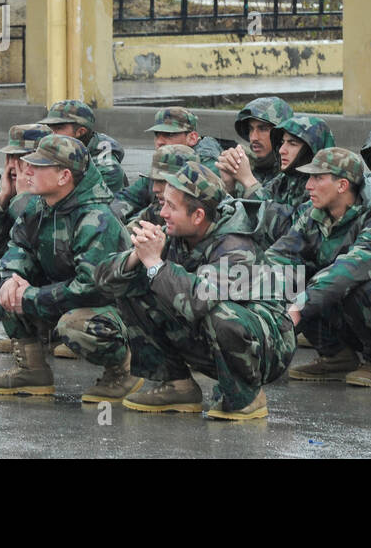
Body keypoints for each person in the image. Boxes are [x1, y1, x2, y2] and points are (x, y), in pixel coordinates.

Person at [96, 161, 294, 420]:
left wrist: (155, 263)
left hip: (267, 348)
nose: (162, 212)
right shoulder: (174, 223)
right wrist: (136, 256)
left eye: (171, 206)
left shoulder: (236, 246)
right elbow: (102, 278)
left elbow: (198, 301)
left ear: (198, 215)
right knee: (133, 283)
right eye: (163, 203)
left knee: (220, 313)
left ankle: (246, 395)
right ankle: (176, 385)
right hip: (212, 335)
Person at [0, 135, 140, 403]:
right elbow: (19, 247)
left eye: (39, 166)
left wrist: (29, 297)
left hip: (114, 313)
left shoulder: (95, 218)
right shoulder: (40, 206)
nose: (28, 170)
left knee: (74, 325)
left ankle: (123, 369)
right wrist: (9, 278)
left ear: (64, 176)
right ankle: (32, 370)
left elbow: (90, 289)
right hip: (63, 299)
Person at [266, 147, 371, 388]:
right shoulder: (313, 214)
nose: (308, 186)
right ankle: (335, 356)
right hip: (340, 309)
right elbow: (280, 255)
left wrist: (297, 308)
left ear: (342, 185)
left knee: (359, 288)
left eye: (318, 178)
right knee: (293, 278)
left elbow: (349, 270)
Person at [0, 124, 51, 349]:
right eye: (10, 158)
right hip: (33, 287)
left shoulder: (55, 191)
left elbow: (39, 240)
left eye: (23, 158)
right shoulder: (12, 190)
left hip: (61, 287)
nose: (14, 166)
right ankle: (27, 338)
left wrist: (23, 198)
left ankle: (55, 333)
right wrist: (2, 198)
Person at [112, 107, 221, 220]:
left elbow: (172, 211)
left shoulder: (207, 169)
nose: (159, 142)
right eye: (157, 135)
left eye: (169, 135)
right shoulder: (167, 162)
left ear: (192, 138)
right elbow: (129, 197)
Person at [231, 115, 335, 211]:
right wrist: (228, 185)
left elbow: (293, 224)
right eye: (282, 143)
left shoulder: (325, 186)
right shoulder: (285, 178)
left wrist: (248, 181)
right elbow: (253, 208)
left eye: (292, 144)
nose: (282, 150)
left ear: (310, 150)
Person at [37, 99, 127, 193]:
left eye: (59, 128)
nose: (51, 135)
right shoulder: (61, 151)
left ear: (80, 132)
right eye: (49, 128)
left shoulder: (106, 170)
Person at [217, 96, 293, 195]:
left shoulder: (296, 175)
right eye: (251, 129)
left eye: (262, 129)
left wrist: (248, 181)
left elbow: (275, 209)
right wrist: (229, 187)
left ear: (282, 134)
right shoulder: (247, 166)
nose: (253, 137)